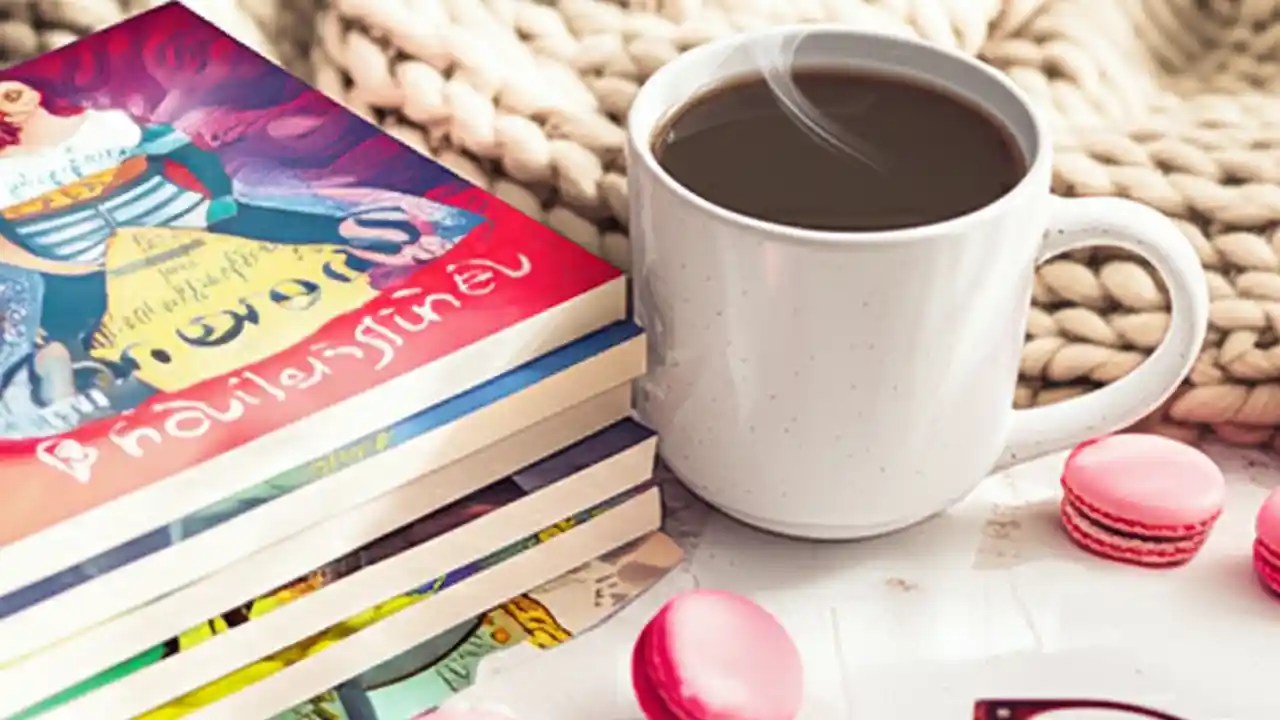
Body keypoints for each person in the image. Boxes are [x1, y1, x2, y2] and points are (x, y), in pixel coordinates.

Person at [0, 80, 485, 439]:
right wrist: (49, 267)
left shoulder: (106, 125)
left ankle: (354, 232)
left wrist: (219, 198)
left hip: (159, 202)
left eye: (13, 91)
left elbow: (190, 153)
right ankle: (61, 364)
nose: (10, 102)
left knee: (248, 221)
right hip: (63, 241)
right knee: (68, 302)